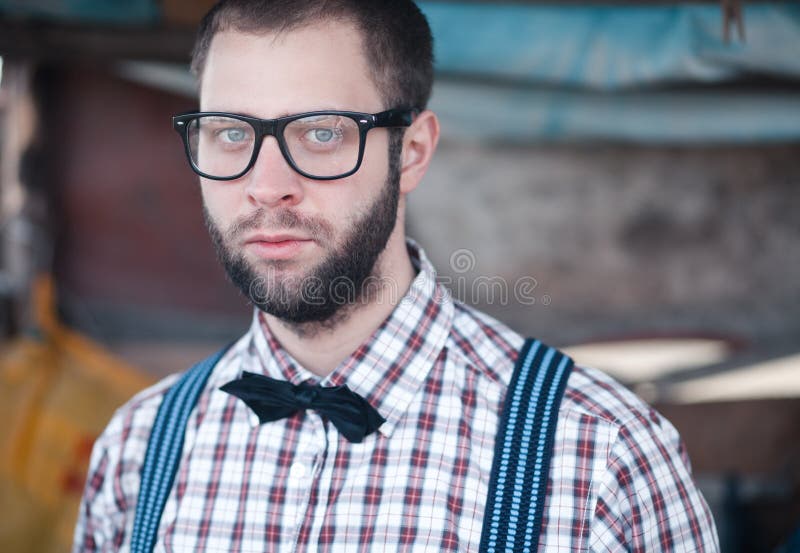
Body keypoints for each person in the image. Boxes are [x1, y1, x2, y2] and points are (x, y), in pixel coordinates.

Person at [73, 1, 719, 551]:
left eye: (321, 133)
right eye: (230, 133)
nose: (266, 188)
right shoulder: (138, 447)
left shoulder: (602, 454)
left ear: (410, 152)